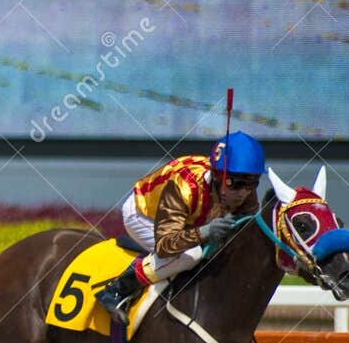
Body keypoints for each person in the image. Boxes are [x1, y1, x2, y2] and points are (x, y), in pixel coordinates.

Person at [94, 131, 265, 323]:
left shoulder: (244, 190)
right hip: (144, 215)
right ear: (217, 175)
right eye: (236, 184)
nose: (243, 193)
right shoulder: (183, 187)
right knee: (192, 255)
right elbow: (165, 244)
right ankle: (117, 289)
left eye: (252, 184)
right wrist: (206, 232)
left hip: (186, 219)